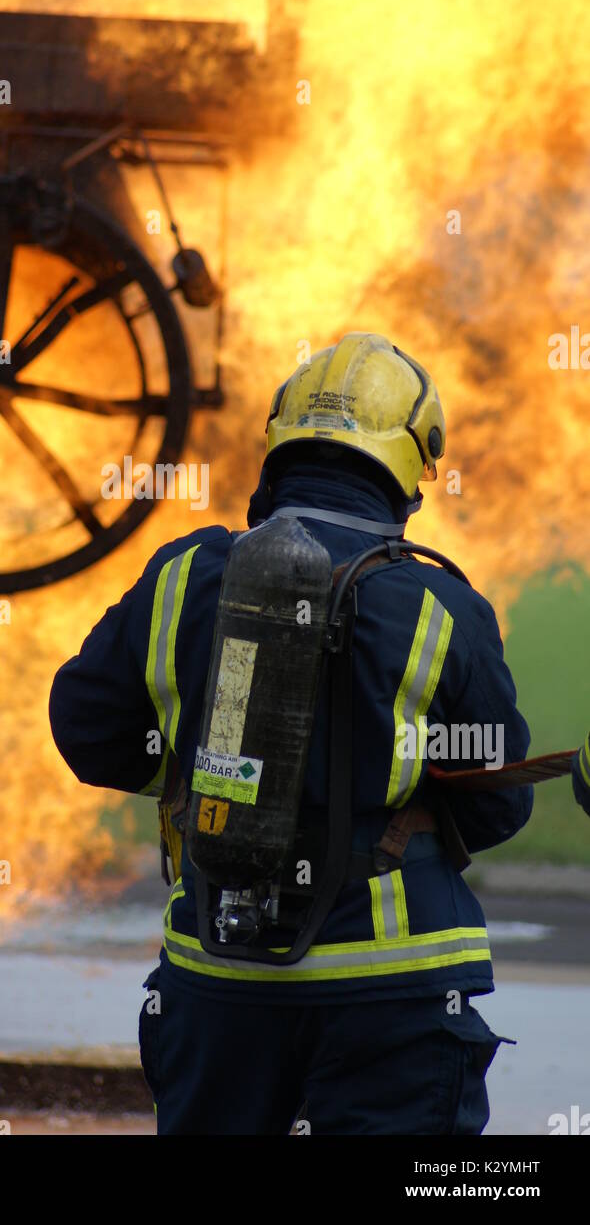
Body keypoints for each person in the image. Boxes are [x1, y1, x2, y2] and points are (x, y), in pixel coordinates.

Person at [49, 332, 533, 1135]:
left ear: (278, 447)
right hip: (392, 996)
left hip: (216, 983)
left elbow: (87, 733)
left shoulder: (183, 575)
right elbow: (497, 807)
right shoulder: (441, 610)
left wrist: (211, 772)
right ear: (409, 471)